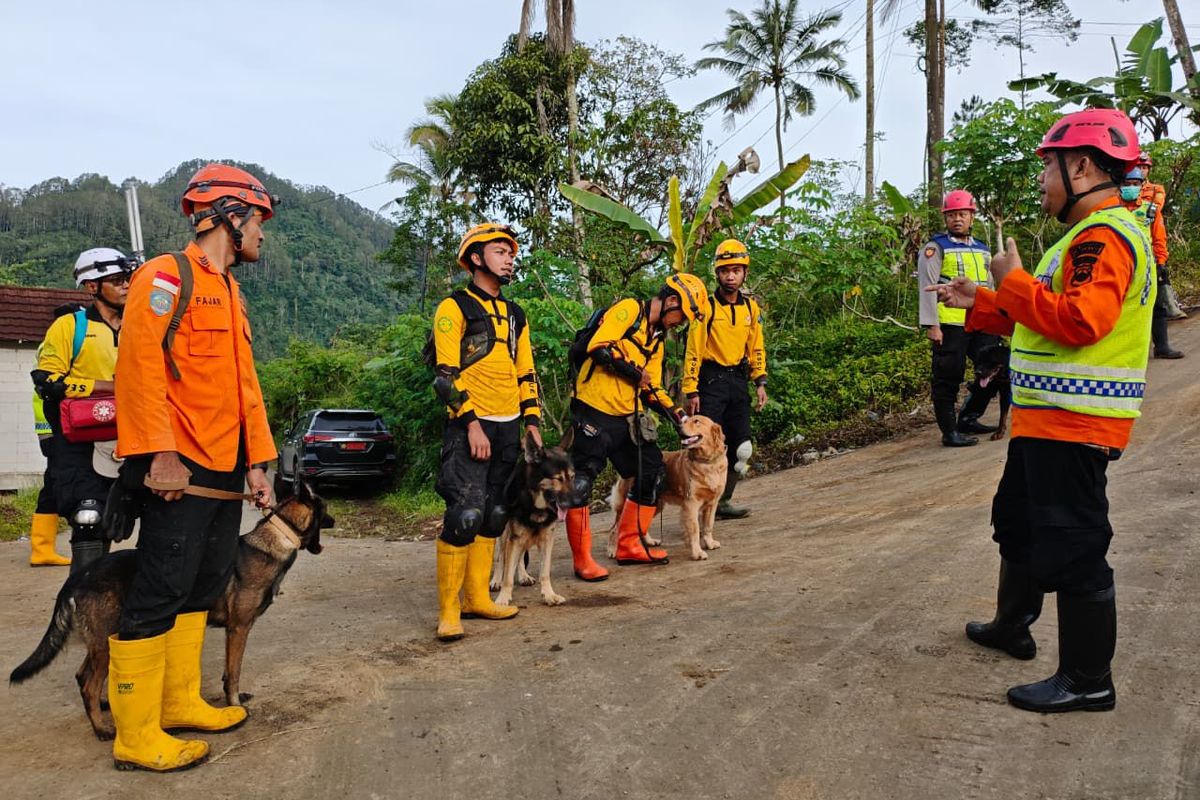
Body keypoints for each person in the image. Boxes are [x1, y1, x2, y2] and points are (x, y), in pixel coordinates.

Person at [930, 108, 1152, 713]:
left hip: (1075, 425)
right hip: (1044, 421)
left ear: (1081, 165)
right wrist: (984, 298)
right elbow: (1041, 316)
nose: (1043, 182)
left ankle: (1088, 679)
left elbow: (1082, 322)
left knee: (1075, 545)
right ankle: (1012, 624)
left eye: (1048, 169)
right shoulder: (1081, 238)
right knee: (1020, 524)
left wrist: (1015, 280)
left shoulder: (1105, 237)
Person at [108, 163, 277, 771]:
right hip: (178, 468)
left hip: (224, 469)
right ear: (230, 217)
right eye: (258, 221)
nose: (262, 235)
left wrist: (257, 462)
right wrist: (160, 452)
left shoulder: (231, 292)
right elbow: (139, 370)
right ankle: (134, 733)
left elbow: (244, 386)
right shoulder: (164, 277)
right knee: (158, 589)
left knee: (203, 584)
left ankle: (180, 701)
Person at [430, 222, 542, 642]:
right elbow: (445, 377)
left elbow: (525, 370)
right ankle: (449, 610)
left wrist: (531, 422)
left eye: (511, 252)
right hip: (469, 427)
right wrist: (471, 424)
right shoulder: (453, 307)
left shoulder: (517, 315)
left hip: (509, 426)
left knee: (494, 515)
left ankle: (477, 597)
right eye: (500, 250)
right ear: (476, 258)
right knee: (465, 514)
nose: (510, 257)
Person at [564, 271, 710, 576]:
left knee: (652, 469)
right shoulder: (630, 310)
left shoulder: (656, 340)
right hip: (592, 409)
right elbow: (598, 346)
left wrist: (677, 415)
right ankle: (583, 560)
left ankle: (630, 543)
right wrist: (633, 372)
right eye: (681, 315)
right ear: (671, 300)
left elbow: (652, 386)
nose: (680, 322)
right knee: (580, 481)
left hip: (624, 416)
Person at [30, 248, 130, 572]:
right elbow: (46, 381)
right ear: (91, 287)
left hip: (132, 436)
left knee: (144, 515)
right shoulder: (69, 326)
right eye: (115, 280)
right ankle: (84, 600)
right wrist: (103, 387)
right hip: (80, 441)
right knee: (89, 516)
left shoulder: (141, 326)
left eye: (127, 278)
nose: (126, 285)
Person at [682, 239, 767, 519]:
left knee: (742, 449)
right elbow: (693, 349)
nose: (731, 276)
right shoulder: (705, 308)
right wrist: (690, 389)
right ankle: (699, 502)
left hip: (738, 380)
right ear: (717, 274)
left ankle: (723, 501)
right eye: (725, 270)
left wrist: (760, 381)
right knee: (706, 446)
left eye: (736, 270)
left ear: (745, 273)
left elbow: (756, 346)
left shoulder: (750, 309)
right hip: (711, 381)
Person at [917, 190, 1003, 447]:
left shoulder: (982, 249)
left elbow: (989, 286)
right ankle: (950, 432)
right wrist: (932, 325)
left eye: (962, 214)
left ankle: (969, 417)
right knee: (947, 377)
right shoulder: (936, 247)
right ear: (946, 218)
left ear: (971, 216)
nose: (957, 219)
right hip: (950, 323)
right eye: (952, 215)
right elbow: (926, 285)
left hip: (982, 320)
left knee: (995, 371)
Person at [1121, 167, 1183, 359]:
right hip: (1122, 265)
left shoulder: (1150, 209)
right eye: (1127, 184)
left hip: (1148, 265)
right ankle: (1127, 351)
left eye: (1135, 184)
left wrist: (1161, 262)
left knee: (1157, 306)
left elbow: (1159, 238)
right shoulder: (1112, 209)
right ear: (1120, 186)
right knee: (1124, 309)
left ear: (1141, 186)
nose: (1131, 187)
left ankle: (1162, 346)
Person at [1136, 151, 1186, 321]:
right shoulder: (1123, 190)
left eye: (1144, 167)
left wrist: (1161, 258)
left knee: (1160, 272)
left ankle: (1168, 307)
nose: (1142, 170)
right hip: (1134, 239)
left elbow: (1156, 207)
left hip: (1152, 235)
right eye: (1139, 167)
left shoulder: (1156, 189)